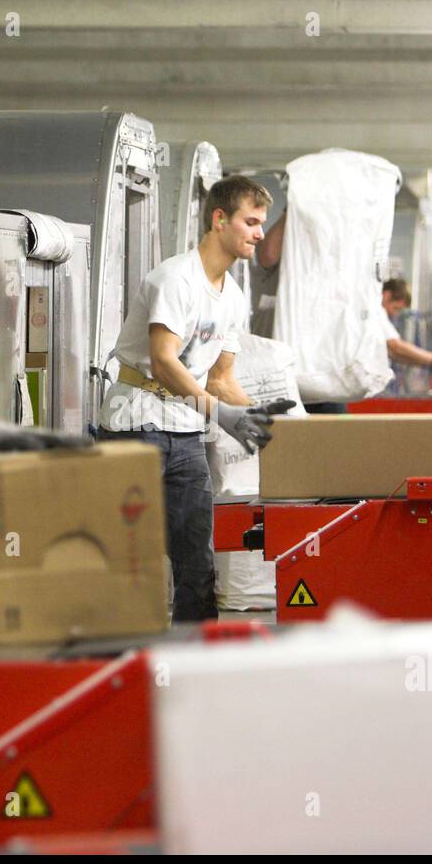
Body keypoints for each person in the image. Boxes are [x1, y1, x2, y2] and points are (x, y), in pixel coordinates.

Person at [98, 176, 278, 622]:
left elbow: (221, 378)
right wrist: (220, 414)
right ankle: (118, 667)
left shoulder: (233, 299)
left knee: (197, 562)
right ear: (220, 219)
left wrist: (258, 415)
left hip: (186, 434)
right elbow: (162, 362)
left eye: (261, 223)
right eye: (251, 222)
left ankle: (196, 665)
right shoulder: (175, 279)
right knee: (128, 558)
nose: (259, 233)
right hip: (135, 427)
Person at [252, 217, 432, 399]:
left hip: (330, 386)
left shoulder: (357, 293)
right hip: (280, 380)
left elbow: (392, 345)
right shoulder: (290, 271)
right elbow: (267, 255)